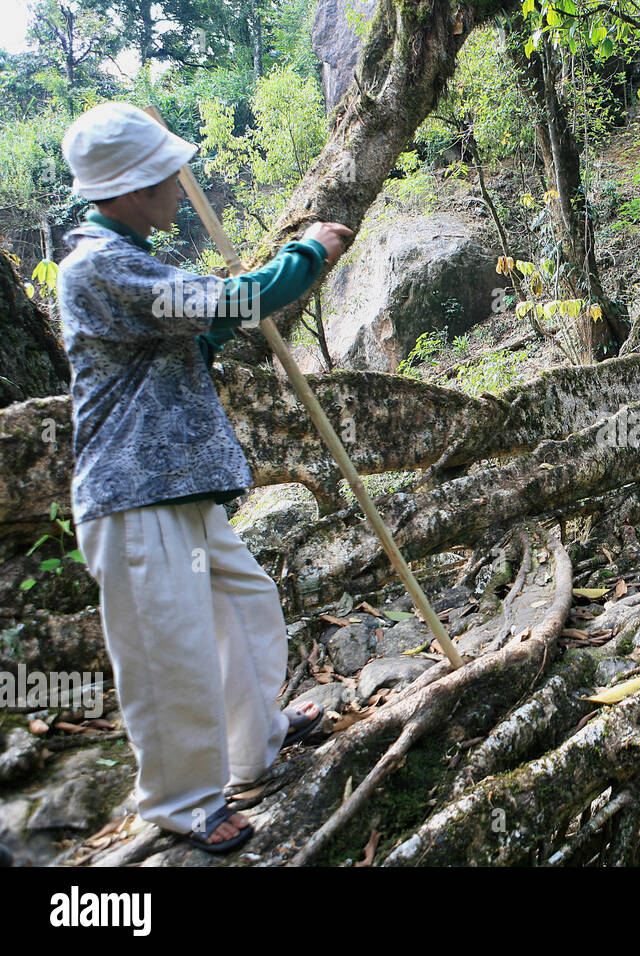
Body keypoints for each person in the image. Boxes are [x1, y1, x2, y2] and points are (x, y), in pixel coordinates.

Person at [57, 101, 353, 853]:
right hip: (132, 500)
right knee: (171, 652)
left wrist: (235, 312)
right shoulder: (99, 264)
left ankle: (256, 741)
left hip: (177, 491)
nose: (178, 185)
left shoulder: (129, 258)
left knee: (243, 607)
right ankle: (183, 802)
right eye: (165, 174)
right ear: (131, 185)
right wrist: (308, 253)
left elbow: (201, 322)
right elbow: (233, 300)